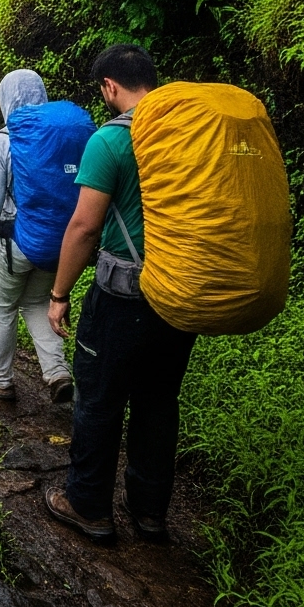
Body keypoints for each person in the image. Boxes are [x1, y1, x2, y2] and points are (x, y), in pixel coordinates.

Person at [43, 43, 192, 546]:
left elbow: (84, 228)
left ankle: (88, 505)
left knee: (100, 399)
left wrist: (60, 293)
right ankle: (149, 512)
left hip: (123, 297)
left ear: (109, 86)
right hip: (178, 293)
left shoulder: (110, 141)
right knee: (157, 401)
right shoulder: (188, 132)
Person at [0, 68, 76, 407]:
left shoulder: (2, 140)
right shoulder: (61, 135)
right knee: (36, 303)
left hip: (13, 242)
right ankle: (58, 371)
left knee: (1, 308)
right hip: (57, 241)